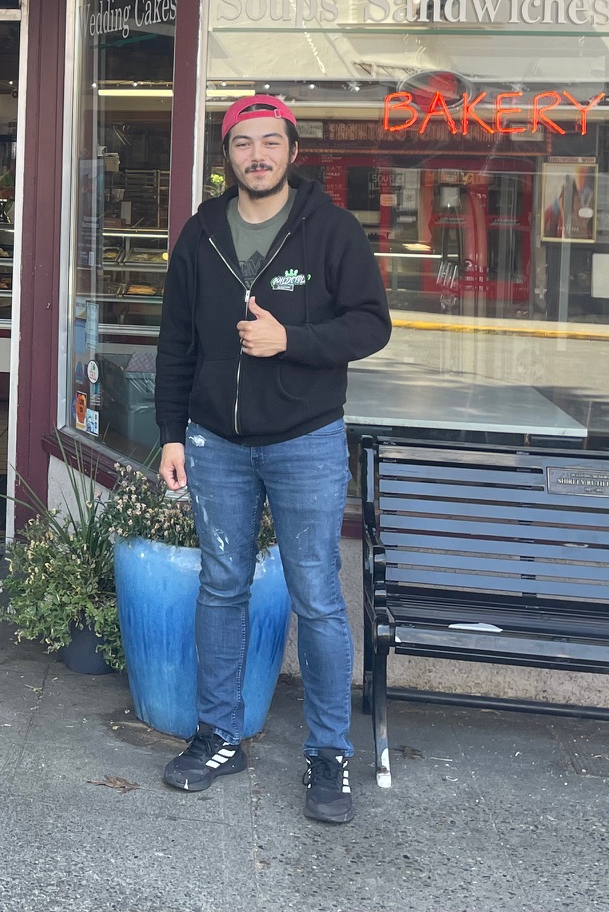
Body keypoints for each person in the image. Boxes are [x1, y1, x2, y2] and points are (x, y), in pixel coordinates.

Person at [153, 94, 391, 823]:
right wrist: (170, 433)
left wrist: (293, 342)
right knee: (221, 586)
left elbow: (371, 325)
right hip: (215, 444)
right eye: (242, 144)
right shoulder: (201, 235)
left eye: (270, 143)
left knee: (317, 596)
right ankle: (220, 734)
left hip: (304, 440)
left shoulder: (331, 231)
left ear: (292, 150)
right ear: (227, 158)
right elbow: (176, 345)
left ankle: (328, 753)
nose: (257, 155)